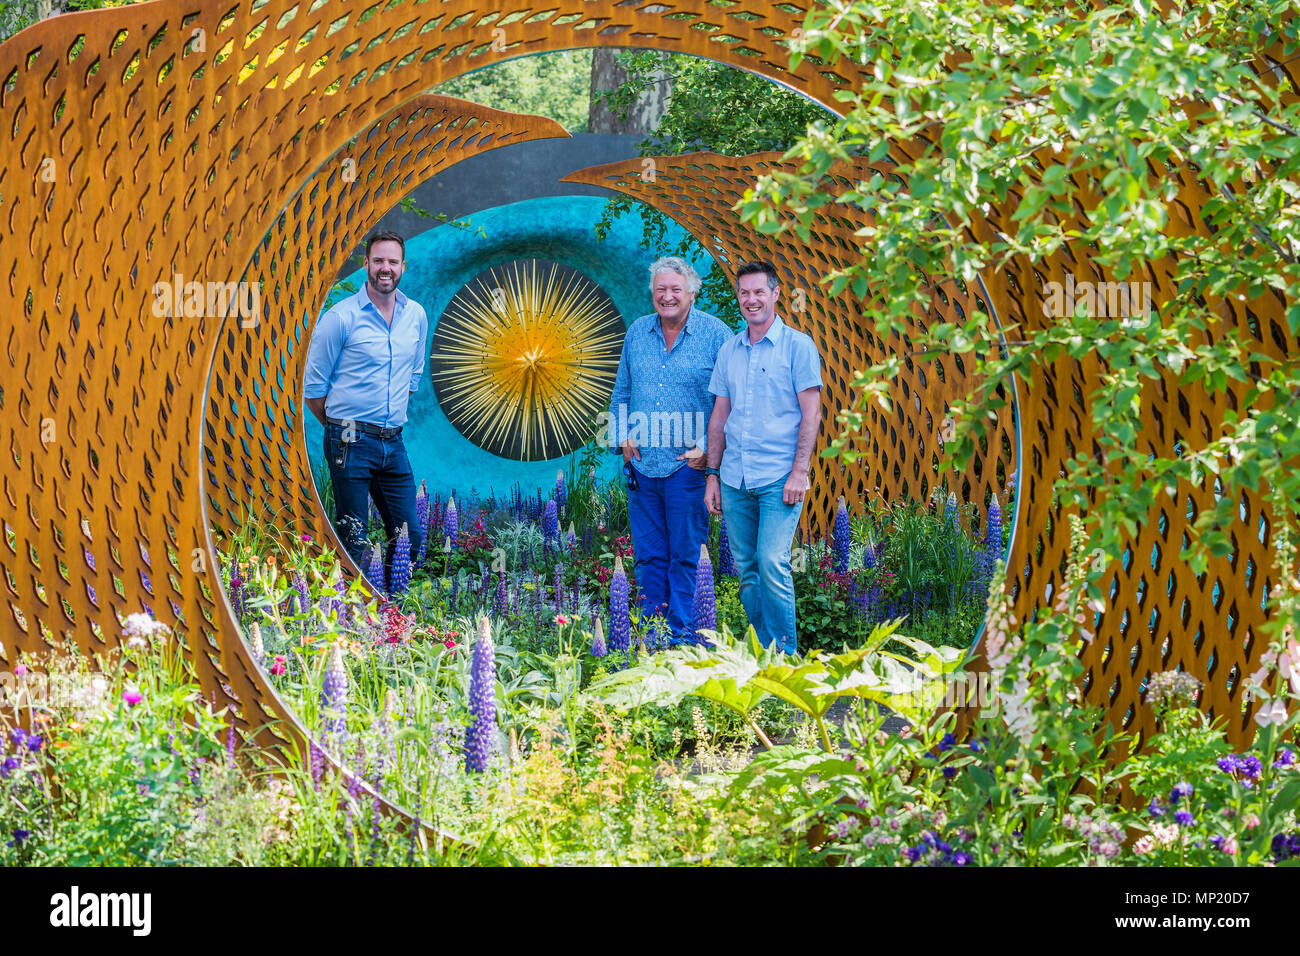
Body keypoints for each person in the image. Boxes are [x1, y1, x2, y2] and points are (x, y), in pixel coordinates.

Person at [608, 256, 732, 639]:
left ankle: (685, 638)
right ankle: (652, 636)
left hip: (688, 468)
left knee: (687, 556)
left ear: (692, 292)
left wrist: (709, 453)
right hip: (642, 466)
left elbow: (735, 398)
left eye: (675, 289)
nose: (667, 296)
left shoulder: (716, 335)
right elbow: (621, 393)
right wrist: (621, 437)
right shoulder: (637, 333)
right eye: (660, 289)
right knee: (647, 556)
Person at [703, 260, 822, 654]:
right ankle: (764, 653)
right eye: (744, 293)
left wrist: (799, 471)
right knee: (747, 571)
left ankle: (787, 658)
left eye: (759, 292)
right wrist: (713, 475)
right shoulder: (729, 351)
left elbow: (812, 414)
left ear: (775, 295)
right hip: (735, 478)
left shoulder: (798, 347)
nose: (751, 300)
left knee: (772, 563)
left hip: (778, 479)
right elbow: (720, 416)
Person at [303, 231, 427, 589]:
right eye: (378, 261)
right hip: (348, 437)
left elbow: (413, 374)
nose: (384, 269)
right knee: (354, 536)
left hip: (393, 441)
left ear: (403, 266)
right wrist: (341, 430)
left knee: (410, 537)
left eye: (392, 262)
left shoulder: (415, 315)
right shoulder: (340, 318)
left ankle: (392, 612)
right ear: (366, 265)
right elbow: (314, 389)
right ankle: (357, 619)